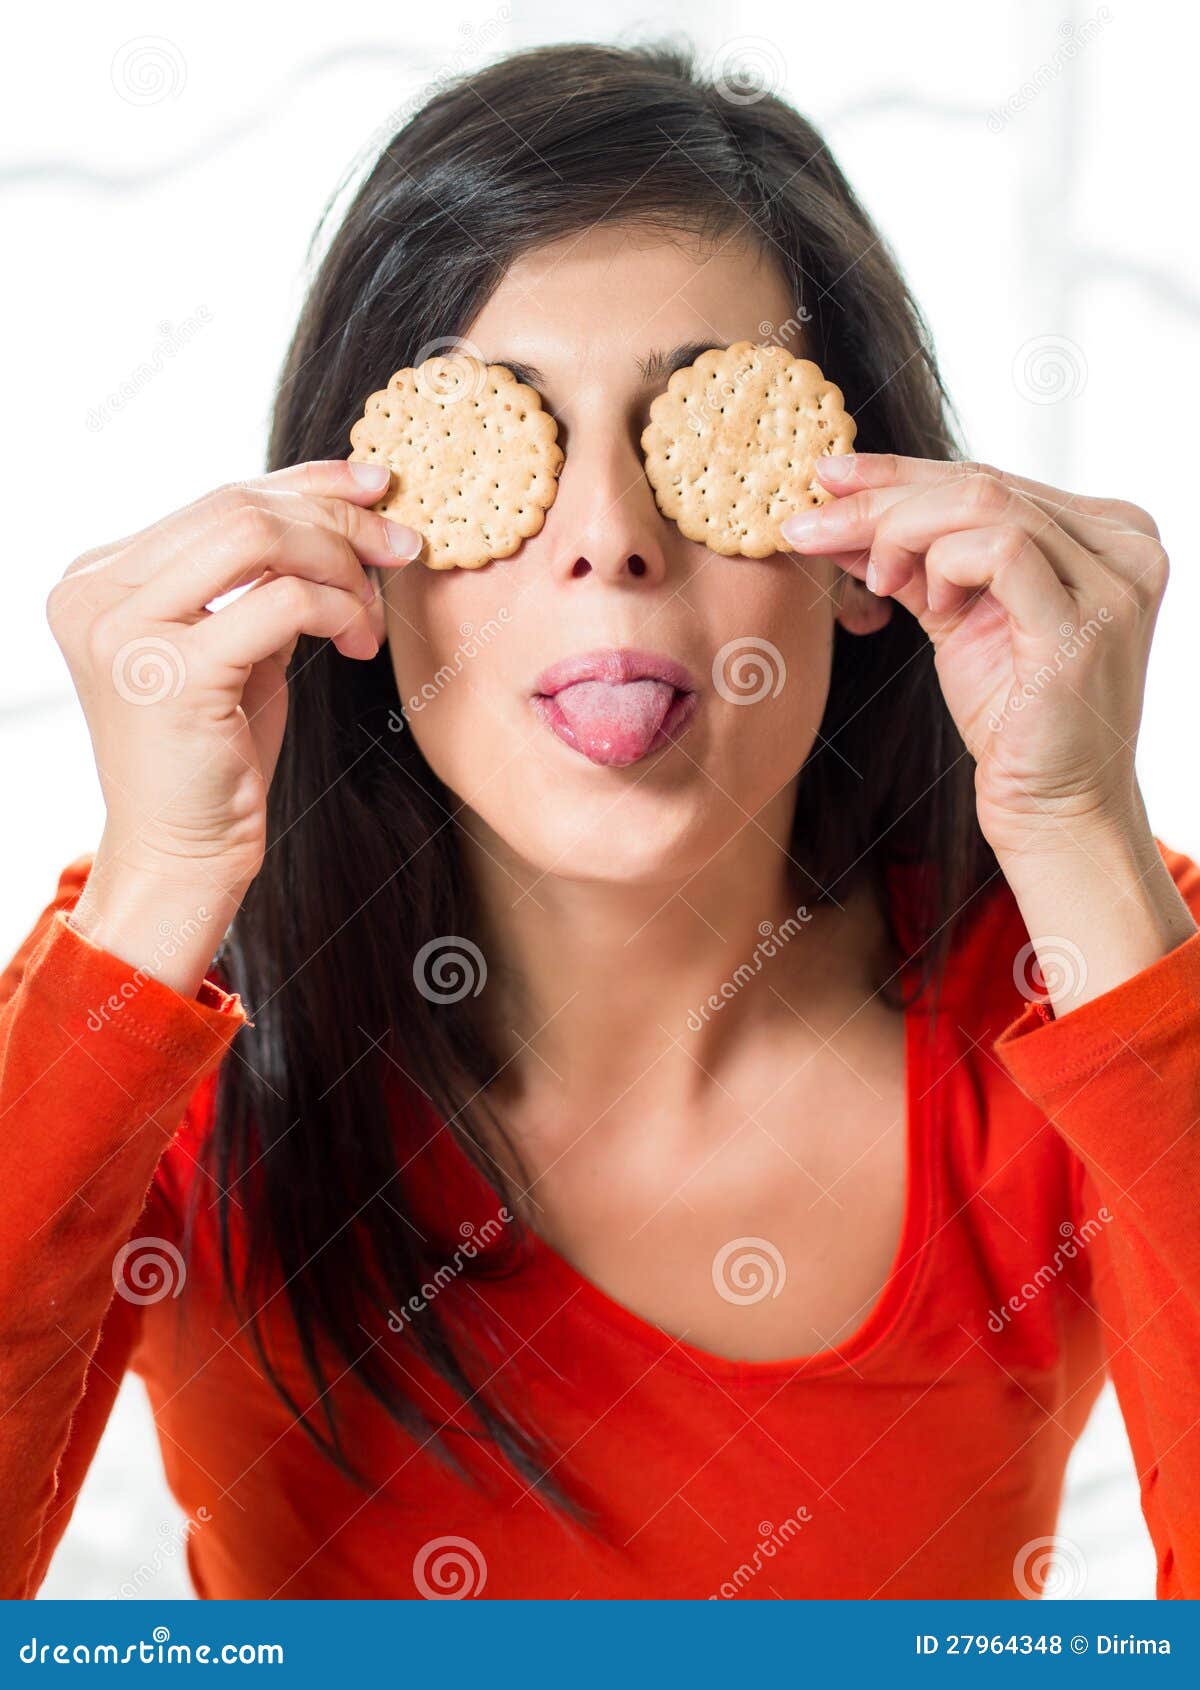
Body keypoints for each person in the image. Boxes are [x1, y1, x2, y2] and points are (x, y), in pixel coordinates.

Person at [2, 42, 1197, 1600]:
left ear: (860, 554)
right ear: (353, 554)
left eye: (687, 443)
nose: (613, 542)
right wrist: (161, 885)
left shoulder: (1075, 978)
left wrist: (1079, 835)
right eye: (516, 437)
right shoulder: (170, 1026)